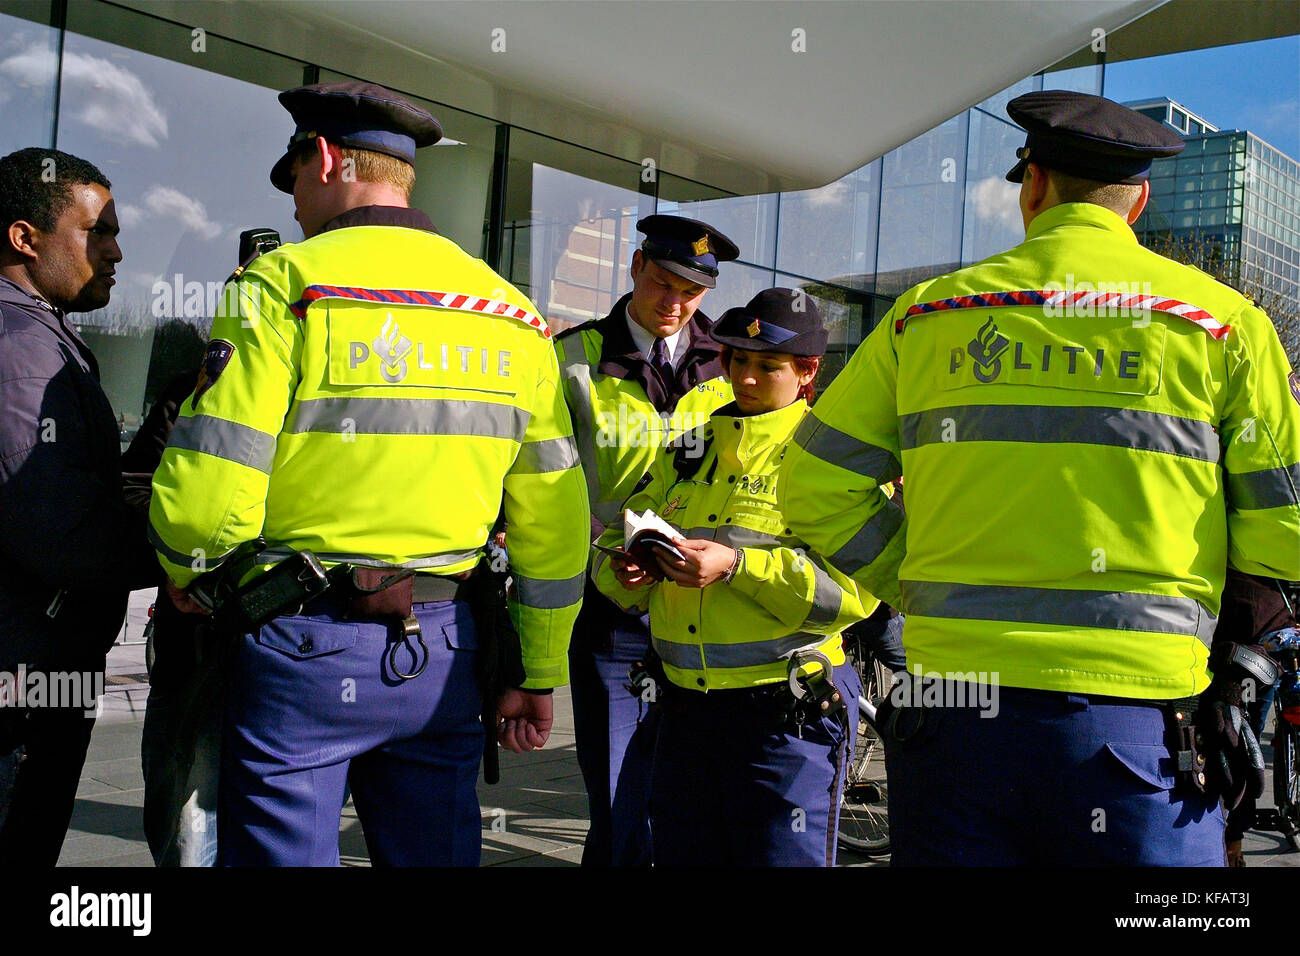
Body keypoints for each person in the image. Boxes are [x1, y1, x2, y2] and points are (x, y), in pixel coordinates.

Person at [779, 90, 1300, 866]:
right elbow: (1283, 536)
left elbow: (815, 486)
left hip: (949, 711)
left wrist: (916, 579)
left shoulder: (928, 316)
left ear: (1033, 186)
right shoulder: (1222, 325)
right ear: (1141, 200)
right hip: (1140, 724)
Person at [149, 81, 590, 866]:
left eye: (293, 185)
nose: (293, 210)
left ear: (322, 158)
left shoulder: (286, 285)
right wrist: (540, 667)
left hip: (301, 644)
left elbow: (213, 490)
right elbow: (554, 525)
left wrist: (191, 569)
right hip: (445, 650)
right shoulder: (514, 315)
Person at [594, 288, 869, 865]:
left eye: (766, 365)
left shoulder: (834, 456)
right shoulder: (689, 449)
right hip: (684, 714)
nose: (744, 378)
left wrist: (737, 567)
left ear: (807, 372)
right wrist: (627, 568)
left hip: (784, 720)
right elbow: (612, 544)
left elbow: (854, 594)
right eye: (736, 360)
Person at [555, 214, 737, 866]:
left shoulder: (731, 366)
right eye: (662, 283)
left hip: (704, 614)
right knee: (617, 798)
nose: (674, 304)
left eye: (691, 293)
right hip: (613, 611)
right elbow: (545, 485)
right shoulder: (572, 358)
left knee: (692, 798)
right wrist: (608, 555)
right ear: (635, 267)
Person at [0, 147, 159, 865]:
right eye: (97, 231)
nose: (116, 250)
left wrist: (160, 437)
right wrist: (194, 545)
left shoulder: (40, 336)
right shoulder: (22, 350)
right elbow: (58, 529)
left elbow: (66, 490)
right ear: (24, 238)